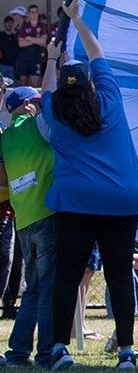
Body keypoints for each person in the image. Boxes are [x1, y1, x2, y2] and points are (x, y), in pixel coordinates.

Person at [41, 0, 138, 370]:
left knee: (67, 275)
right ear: (89, 86)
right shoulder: (110, 100)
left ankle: (58, 349)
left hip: (77, 202)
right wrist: (77, 19)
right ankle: (126, 352)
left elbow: (47, 92)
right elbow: (97, 53)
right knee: (119, 275)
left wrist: (52, 57)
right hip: (123, 199)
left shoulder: (54, 113)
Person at [0, 87, 55, 367]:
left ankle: (18, 353)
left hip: (23, 221)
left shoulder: (6, 138)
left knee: (32, 289)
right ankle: (47, 354)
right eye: (36, 101)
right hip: (48, 216)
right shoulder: (38, 127)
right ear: (27, 105)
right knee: (47, 289)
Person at [15, 5, 47, 88]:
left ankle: (34, 100)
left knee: (35, 83)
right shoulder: (24, 26)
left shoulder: (41, 25)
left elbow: (43, 41)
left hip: (37, 58)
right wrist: (37, 40)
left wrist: (29, 38)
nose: (33, 14)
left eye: (35, 12)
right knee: (23, 82)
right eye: (31, 12)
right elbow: (21, 43)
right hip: (24, 58)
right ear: (28, 14)